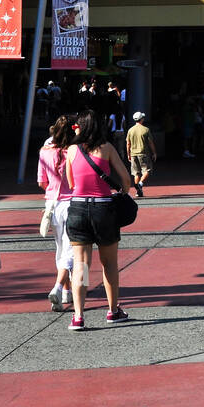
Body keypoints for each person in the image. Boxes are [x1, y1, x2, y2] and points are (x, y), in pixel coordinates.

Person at [65, 110, 135, 330]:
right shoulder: (106, 148)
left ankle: (78, 315)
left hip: (77, 208)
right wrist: (121, 192)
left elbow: (71, 183)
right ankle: (113, 310)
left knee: (81, 264)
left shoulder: (72, 150)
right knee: (109, 263)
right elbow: (126, 180)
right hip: (103, 208)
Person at [38, 117, 75, 312]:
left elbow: (41, 182)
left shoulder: (44, 151)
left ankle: (67, 290)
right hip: (73, 204)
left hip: (52, 204)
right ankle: (59, 287)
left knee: (61, 248)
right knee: (73, 250)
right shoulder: (75, 152)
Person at [125, 112, 157, 196]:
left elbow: (128, 143)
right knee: (147, 170)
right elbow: (150, 142)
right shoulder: (146, 129)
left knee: (136, 173)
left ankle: (138, 191)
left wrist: (128, 154)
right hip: (143, 153)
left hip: (133, 154)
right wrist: (154, 152)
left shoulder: (130, 130)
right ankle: (140, 184)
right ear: (141, 119)